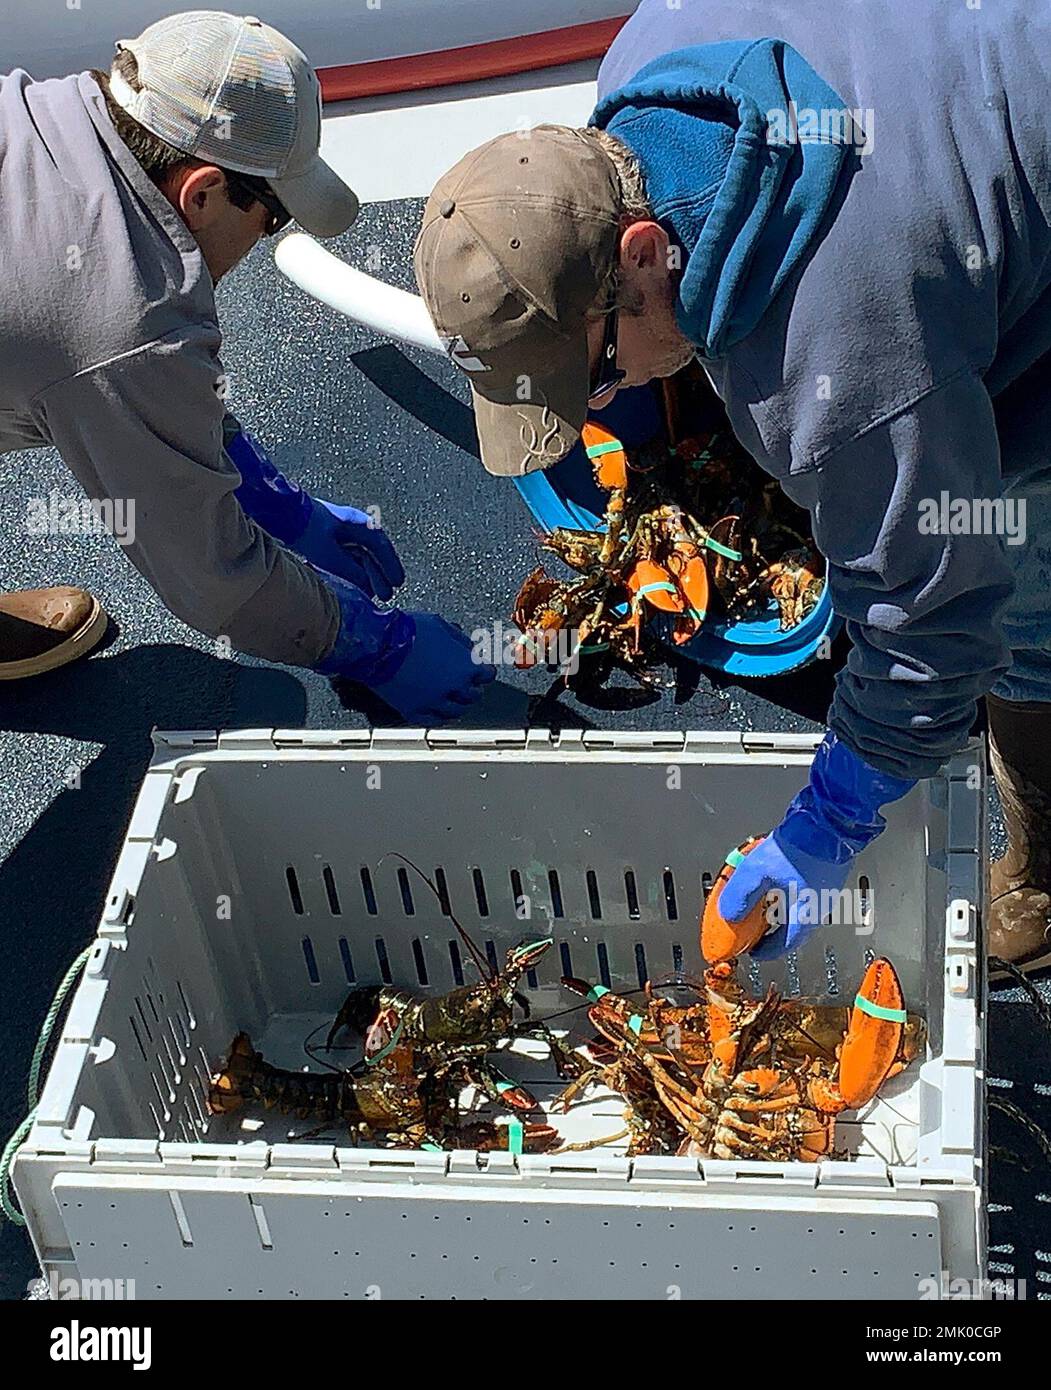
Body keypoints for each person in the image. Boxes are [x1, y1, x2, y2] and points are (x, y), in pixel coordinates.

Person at [414, 0, 1051, 970]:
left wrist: (821, 829)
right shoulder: (643, 62)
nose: (609, 397)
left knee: (1020, 601)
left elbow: (934, 635)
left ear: (637, 253)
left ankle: (1042, 864)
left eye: (593, 376)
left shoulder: (840, 358)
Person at [0, 10, 494, 720]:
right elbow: (212, 580)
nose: (267, 237)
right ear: (200, 193)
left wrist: (282, 509)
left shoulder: (41, 111)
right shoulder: (124, 320)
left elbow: (140, 389)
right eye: (272, 217)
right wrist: (374, 645)